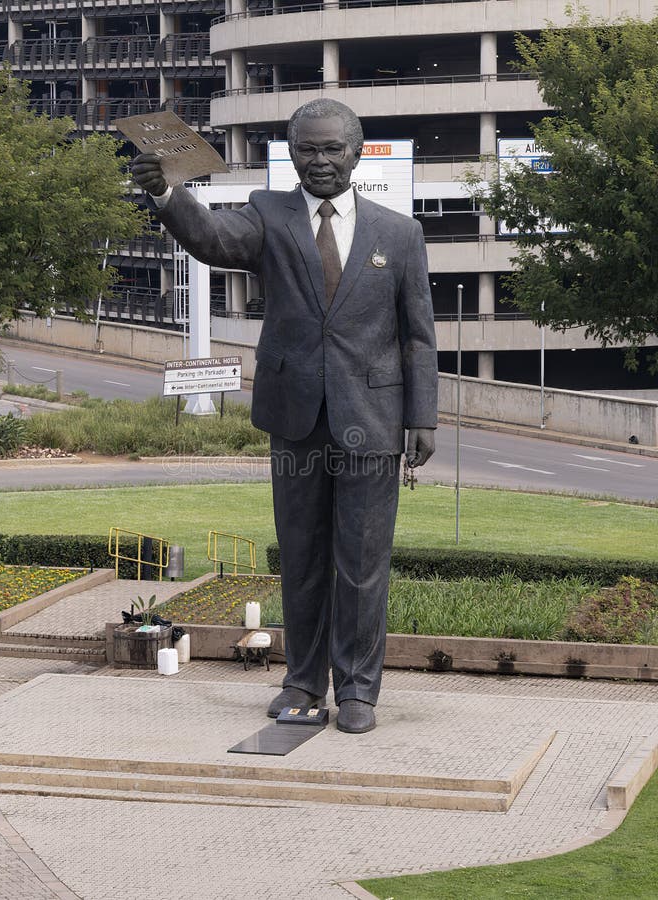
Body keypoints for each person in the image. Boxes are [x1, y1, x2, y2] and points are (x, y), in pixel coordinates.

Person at [131, 99, 437, 733]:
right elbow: (214, 240)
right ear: (292, 153)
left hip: (372, 420)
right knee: (300, 556)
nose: (320, 161)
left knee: (361, 563)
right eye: (307, 149)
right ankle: (302, 680)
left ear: (358, 151)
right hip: (295, 417)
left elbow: (418, 338)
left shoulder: (401, 234)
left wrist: (423, 419)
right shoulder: (269, 215)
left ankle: (357, 691)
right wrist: (166, 193)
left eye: (332, 149)